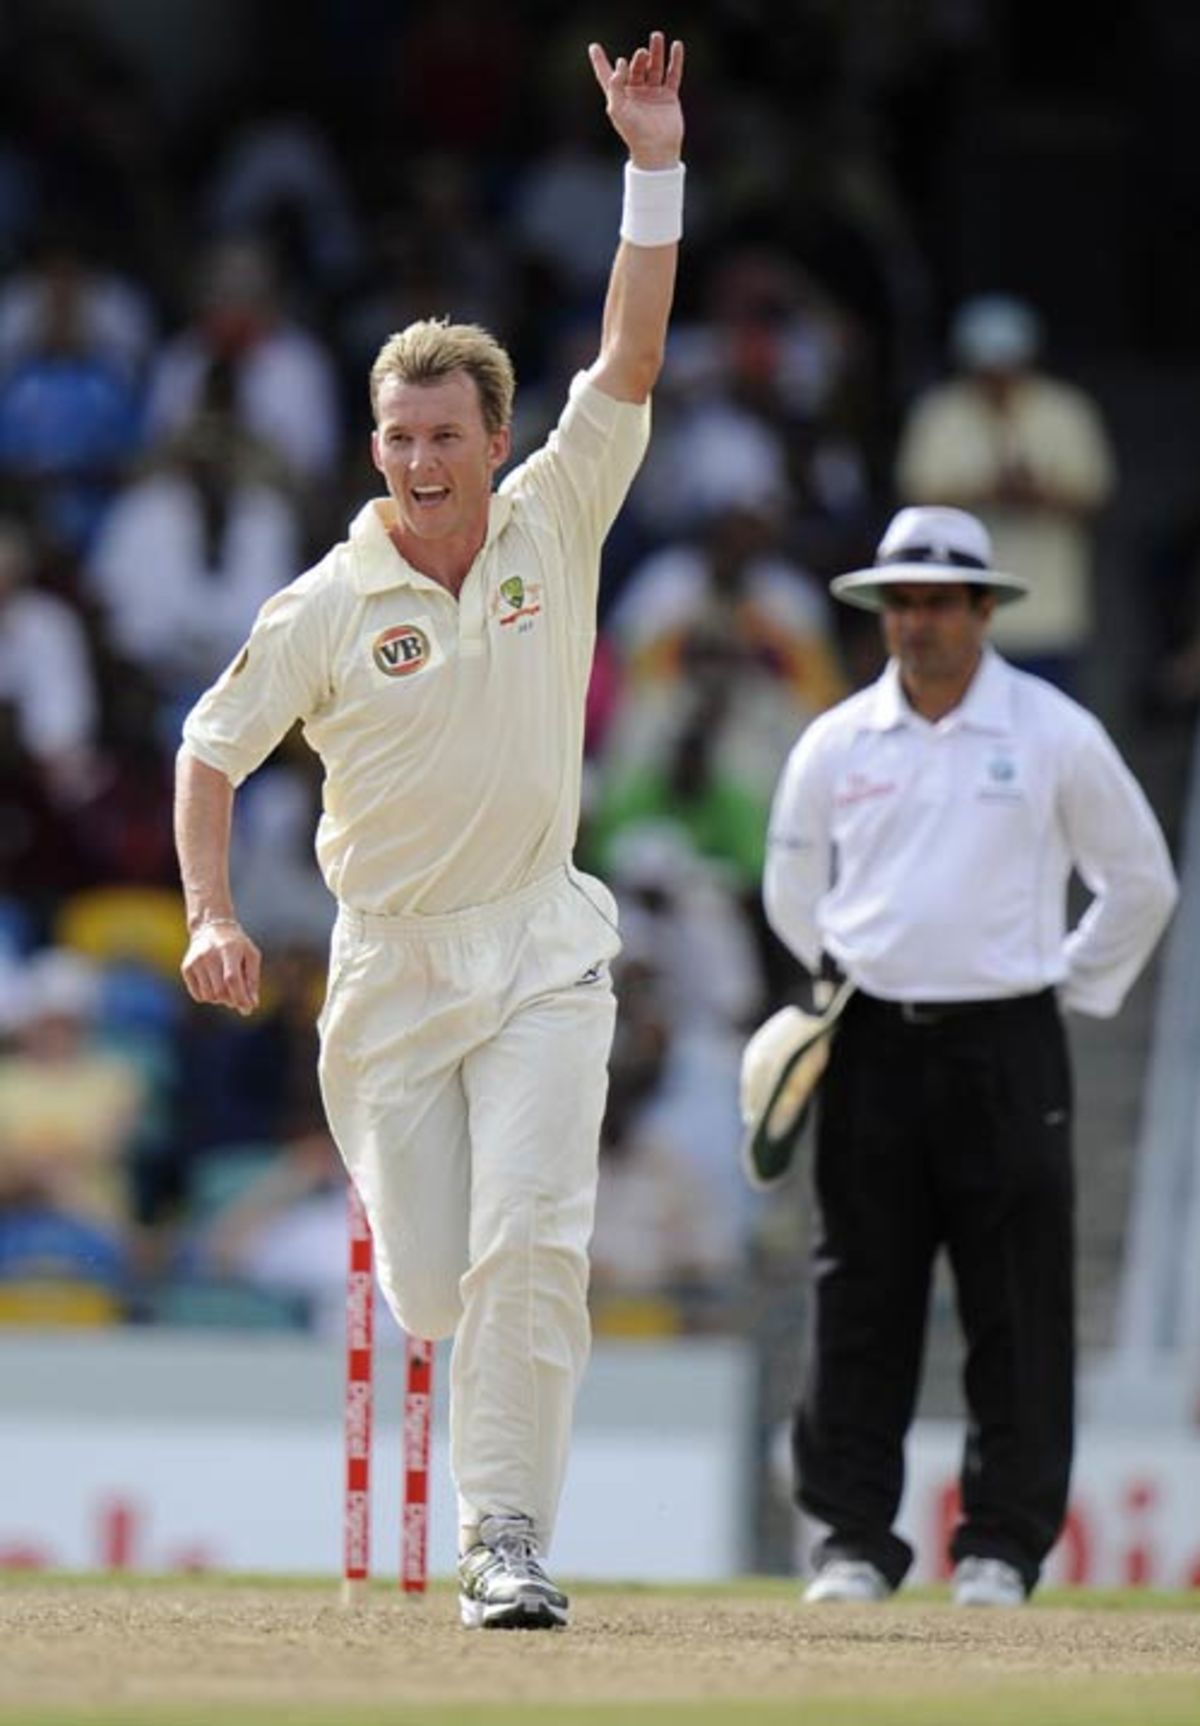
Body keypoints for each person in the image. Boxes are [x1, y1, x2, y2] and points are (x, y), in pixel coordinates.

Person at [173, 30, 686, 1632]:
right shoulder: (329, 602)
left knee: (539, 1245)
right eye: (397, 436)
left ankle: (503, 1536)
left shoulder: (557, 511)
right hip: (389, 973)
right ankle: (435, 1310)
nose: (418, 460)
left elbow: (631, 353)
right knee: (435, 1283)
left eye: (445, 435)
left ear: (491, 436)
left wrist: (651, 162)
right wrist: (205, 911)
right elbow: (209, 751)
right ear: (375, 444)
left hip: (540, 938)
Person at [761, 505, 1177, 1608]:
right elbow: (791, 891)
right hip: (871, 1042)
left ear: (986, 609)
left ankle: (1002, 1545)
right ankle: (851, 1540)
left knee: (1020, 1298)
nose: (921, 623)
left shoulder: (1050, 732)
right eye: (903, 602)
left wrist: (1066, 984)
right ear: (880, 612)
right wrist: (847, 979)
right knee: (860, 1291)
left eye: (942, 601)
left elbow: (1142, 881)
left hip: (1007, 1041)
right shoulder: (838, 740)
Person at [894, 294, 1115, 694]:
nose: (998, 379)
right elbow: (915, 499)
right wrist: (986, 490)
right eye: (987, 369)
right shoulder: (940, 412)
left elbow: (1094, 496)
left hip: (1049, 616)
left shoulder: (1065, 411)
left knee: (1045, 740)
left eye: (1008, 368)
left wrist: (1038, 494)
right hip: (958, 617)